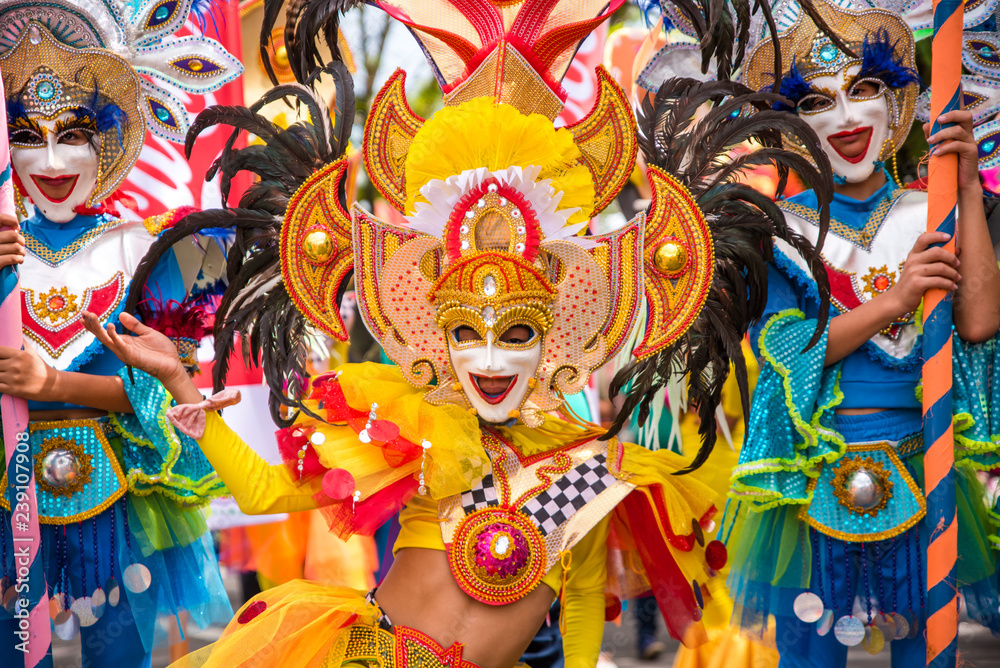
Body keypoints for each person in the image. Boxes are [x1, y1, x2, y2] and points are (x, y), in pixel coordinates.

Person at [89, 1, 835, 666]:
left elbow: (576, 615)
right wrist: (180, 383)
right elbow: (261, 493)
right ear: (433, 340)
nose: (488, 359)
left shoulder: (595, 472)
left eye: (514, 332)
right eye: (464, 334)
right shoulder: (412, 434)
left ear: (557, 339)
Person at [729, 2, 1000, 665]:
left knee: (925, 656)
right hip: (815, 482)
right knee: (810, 657)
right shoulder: (776, 229)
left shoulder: (929, 209)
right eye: (820, 103)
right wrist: (897, 300)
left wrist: (965, 189)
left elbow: (982, 322)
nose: (847, 120)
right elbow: (789, 351)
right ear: (794, 125)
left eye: (863, 91)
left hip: (923, 468)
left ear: (897, 105)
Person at [0, 0, 242, 664]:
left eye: (70, 133)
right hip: (5, 495)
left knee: (119, 653)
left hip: (117, 496)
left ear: (105, 137)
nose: (50, 159)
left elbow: (163, 389)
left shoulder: (146, 249)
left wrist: (53, 382)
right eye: (27, 136)